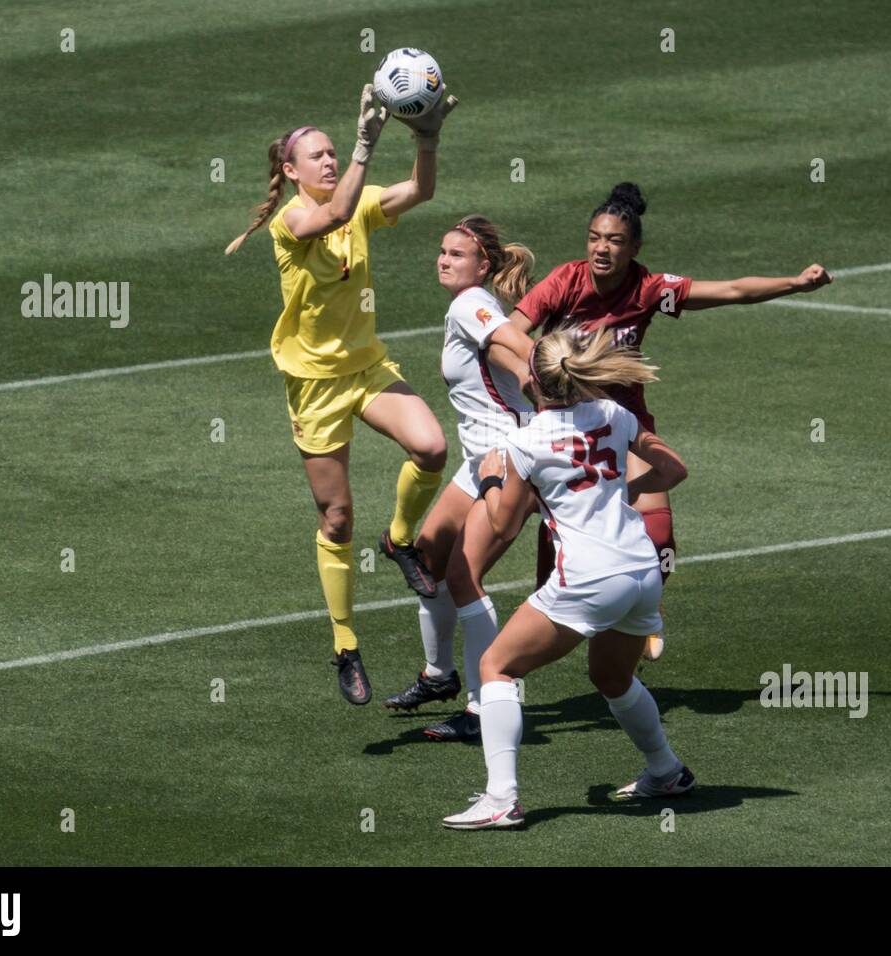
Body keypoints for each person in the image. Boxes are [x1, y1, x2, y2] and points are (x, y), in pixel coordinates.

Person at [507, 182, 832, 661]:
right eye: (595, 237)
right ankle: (546, 605)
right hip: (567, 424)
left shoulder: (648, 290)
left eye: (614, 240)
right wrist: (537, 376)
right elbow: (512, 331)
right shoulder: (564, 281)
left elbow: (733, 291)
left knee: (660, 536)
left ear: (634, 248)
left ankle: (638, 621)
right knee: (557, 519)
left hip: (627, 426)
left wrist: (797, 283)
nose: (602, 247)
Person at [224, 85, 458, 705]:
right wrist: (364, 144)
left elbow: (420, 192)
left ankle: (401, 539)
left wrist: (426, 138)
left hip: (367, 368)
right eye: (318, 155)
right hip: (316, 386)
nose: (329, 161)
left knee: (432, 448)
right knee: (336, 516)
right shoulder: (291, 221)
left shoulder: (358, 202)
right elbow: (330, 215)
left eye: (334, 152)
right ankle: (346, 645)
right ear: (290, 171)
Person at [442, 329, 691, 829]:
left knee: (497, 666)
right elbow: (673, 470)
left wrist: (493, 478)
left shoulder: (522, 441)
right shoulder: (615, 415)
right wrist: (616, 487)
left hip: (588, 579)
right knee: (612, 677)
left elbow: (504, 524)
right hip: (642, 572)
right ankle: (665, 771)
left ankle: (501, 799)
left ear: (532, 377)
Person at [382, 216, 539, 742]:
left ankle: (481, 708)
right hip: (480, 462)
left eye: (456, 254)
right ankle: (438, 676)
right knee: (427, 557)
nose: (444, 260)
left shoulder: (469, 304)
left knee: (461, 577)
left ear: (482, 266)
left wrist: (547, 365)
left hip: (507, 460)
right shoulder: (470, 307)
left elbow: (509, 339)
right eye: (441, 252)